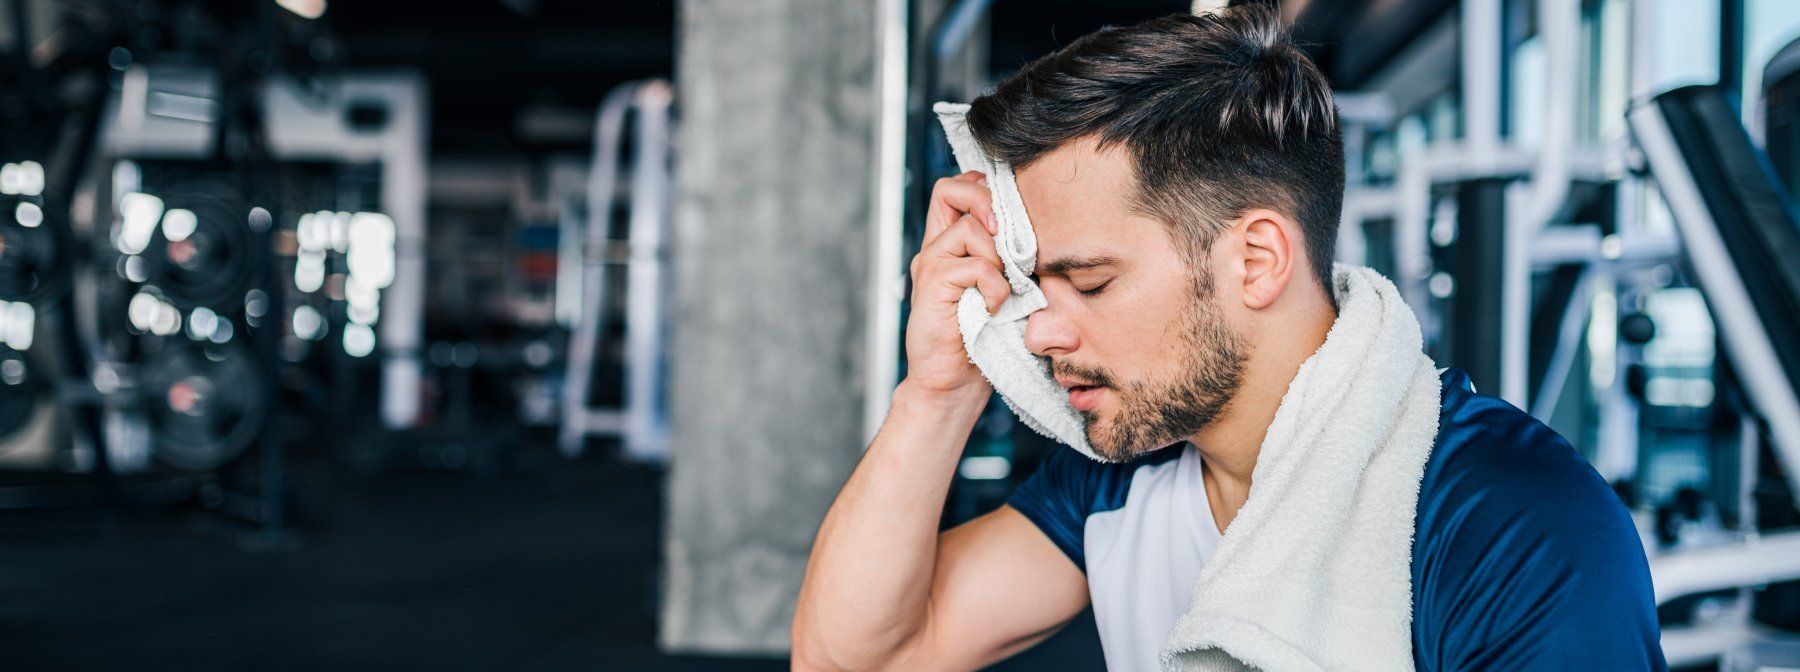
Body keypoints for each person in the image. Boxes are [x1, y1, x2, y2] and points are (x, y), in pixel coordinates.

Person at [792, 6, 1664, 671]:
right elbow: (860, 659)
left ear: (1256, 260)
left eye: (1090, 281)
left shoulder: (1516, 528)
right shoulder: (1124, 474)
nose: (1044, 331)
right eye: (1033, 288)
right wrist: (937, 391)